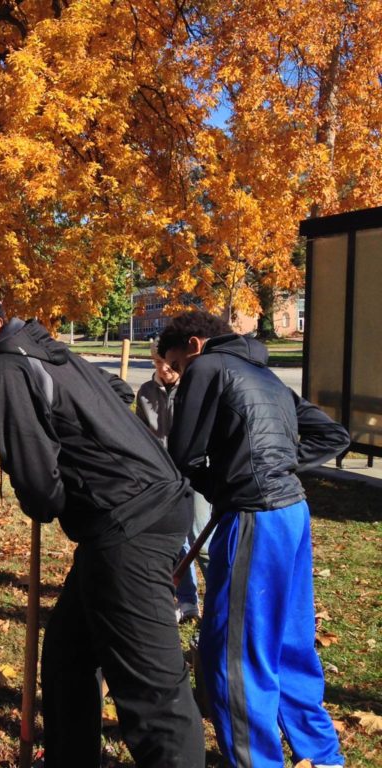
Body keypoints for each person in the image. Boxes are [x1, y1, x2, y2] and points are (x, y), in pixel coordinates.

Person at [0, 286, 204, 768]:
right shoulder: (46, 348)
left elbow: (36, 476)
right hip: (133, 514)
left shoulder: (5, 364)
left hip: (131, 522)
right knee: (66, 659)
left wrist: (46, 498)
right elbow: (116, 392)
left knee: (150, 690)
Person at [158, 310, 349, 768]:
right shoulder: (262, 374)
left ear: (194, 345)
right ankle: (322, 757)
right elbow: (333, 434)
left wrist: (243, 475)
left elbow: (184, 455)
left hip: (254, 519)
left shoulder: (206, 367)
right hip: (292, 514)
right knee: (289, 641)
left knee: (233, 654)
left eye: (176, 365)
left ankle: (256, 762)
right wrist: (273, 464)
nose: (178, 375)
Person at [135, 339, 211, 623]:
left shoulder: (193, 389)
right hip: (162, 479)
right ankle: (188, 601)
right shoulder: (145, 393)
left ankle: (220, 599)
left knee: (201, 541)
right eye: (158, 363)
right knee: (175, 542)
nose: (164, 369)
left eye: (168, 363)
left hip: (194, 476)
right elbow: (142, 435)